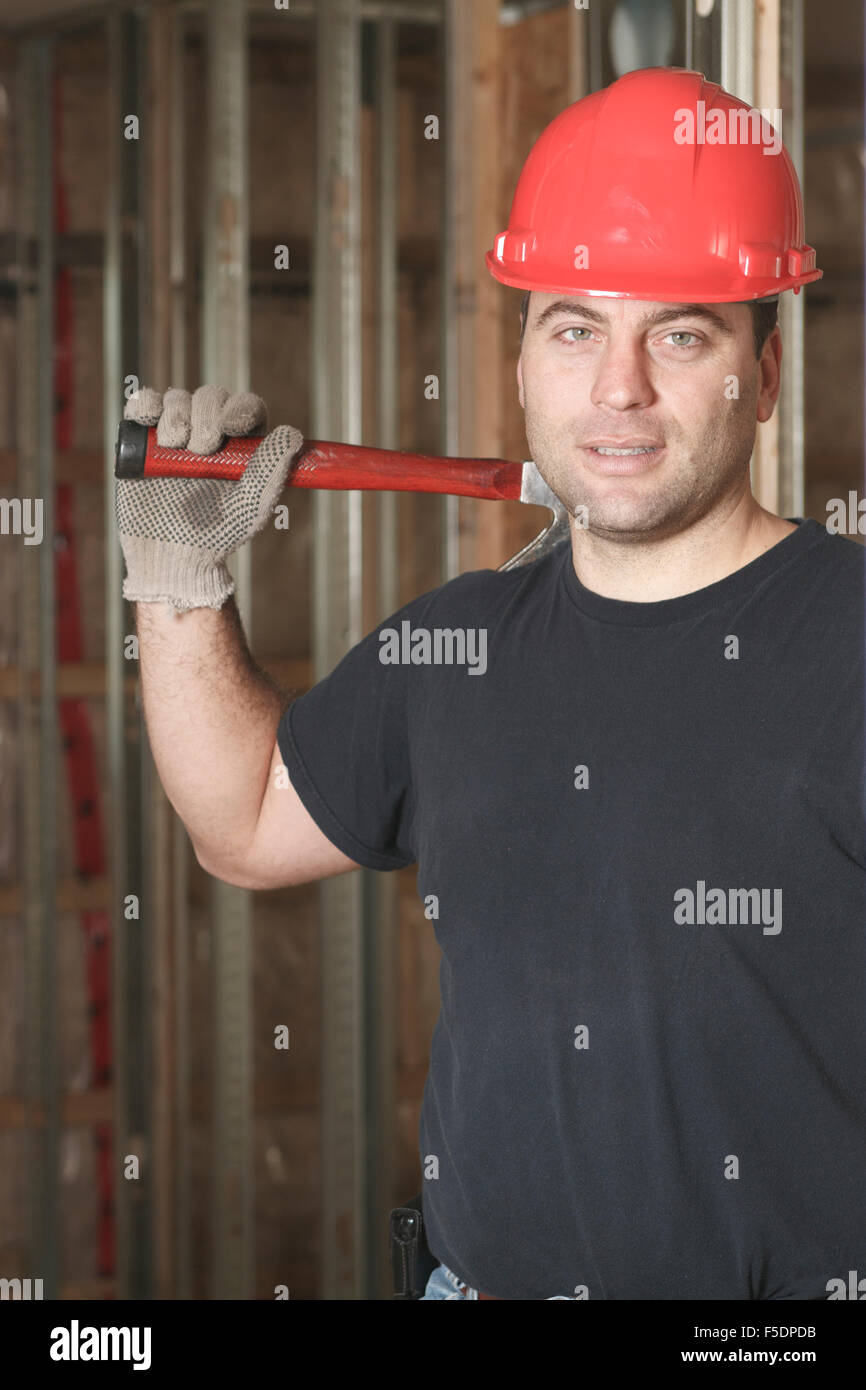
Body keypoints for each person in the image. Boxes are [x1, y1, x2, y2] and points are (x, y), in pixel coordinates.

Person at [116, 67, 865, 1300]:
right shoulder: (454, 645)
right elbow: (240, 820)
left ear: (763, 376)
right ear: (522, 358)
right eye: (573, 327)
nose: (616, 387)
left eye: (677, 332)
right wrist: (176, 570)